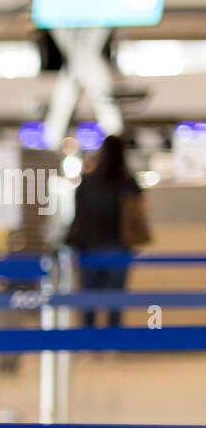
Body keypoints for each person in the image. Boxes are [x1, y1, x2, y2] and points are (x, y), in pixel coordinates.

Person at [66, 135, 143, 327]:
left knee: (89, 298)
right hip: (118, 246)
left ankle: (89, 341)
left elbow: (78, 216)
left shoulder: (88, 182)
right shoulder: (128, 183)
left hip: (89, 246)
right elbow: (138, 216)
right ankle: (112, 343)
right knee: (115, 299)